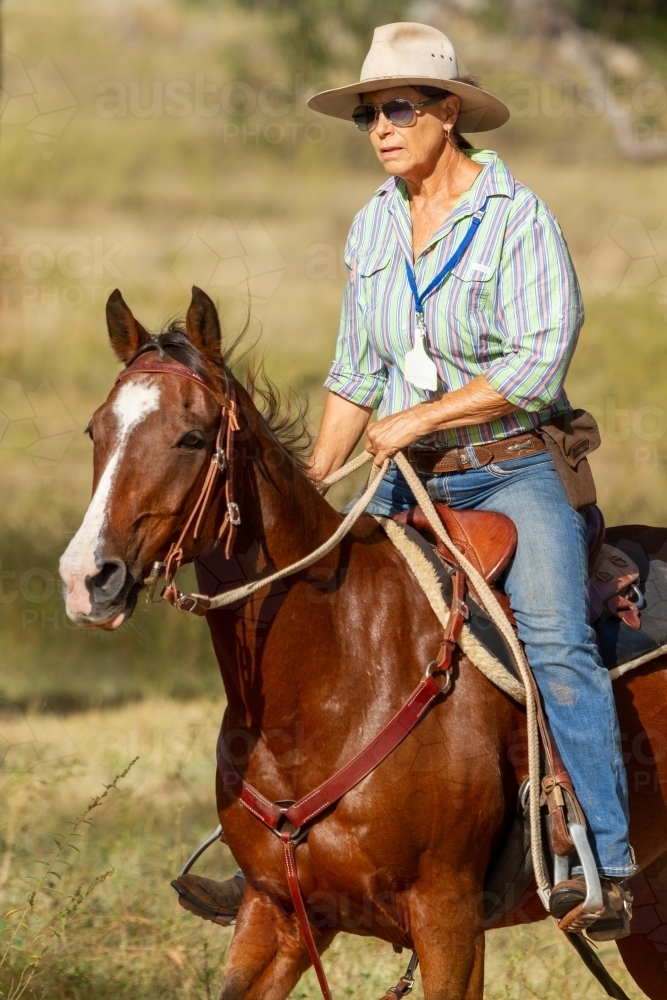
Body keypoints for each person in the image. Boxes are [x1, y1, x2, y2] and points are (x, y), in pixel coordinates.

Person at [172, 21, 635, 939]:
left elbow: (537, 364)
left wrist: (418, 418)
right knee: (301, 611)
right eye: (365, 117)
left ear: (446, 113)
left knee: (554, 641)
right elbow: (354, 373)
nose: (378, 129)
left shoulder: (516, 217)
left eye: (395, 110)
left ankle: (605, 860)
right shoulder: (374, 223)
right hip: (402, 474)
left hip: (508, 471)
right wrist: (306, 488)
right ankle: (272, 849)